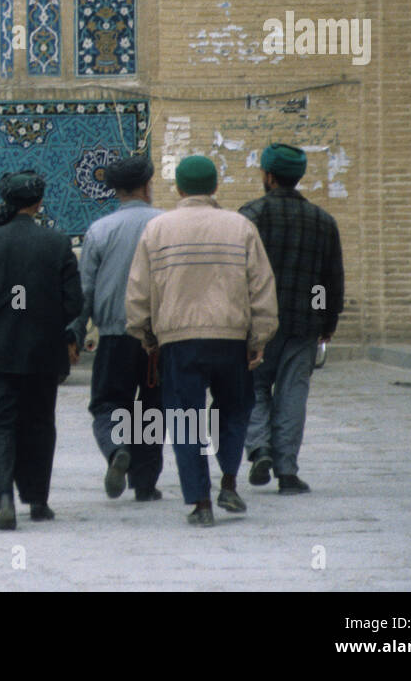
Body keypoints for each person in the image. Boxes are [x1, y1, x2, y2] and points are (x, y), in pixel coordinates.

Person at [125, 155, 278, 527]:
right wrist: (259, 337)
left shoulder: (157, 229)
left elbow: (138, 292)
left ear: (178, 188)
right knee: (234, 410)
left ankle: (201, 502)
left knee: (185, 420)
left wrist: (146, 335)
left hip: (178, 341)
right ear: (214, 187)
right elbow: (261, 287)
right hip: (230, 339)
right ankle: (228, 481)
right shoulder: (240, 227)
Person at [0, 171, 83, 530]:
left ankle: (3, 496)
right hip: (42, 355)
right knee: (39, 425)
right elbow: (73, 302)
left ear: (4, 201)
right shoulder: (57, 244)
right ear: (39, 202)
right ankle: (38, 500)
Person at [239, 143, 345, 495]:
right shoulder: (322, 222)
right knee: (293, 394)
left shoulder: (249, 217)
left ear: (268, 176)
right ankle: (287, 471)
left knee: (252, 388)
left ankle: (260, 449)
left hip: (257, 325)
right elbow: (329, 280)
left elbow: (239, 275)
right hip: (304, 323)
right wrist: (326, 321)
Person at [72, 154, 164, 501]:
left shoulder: (100, 230)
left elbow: (85, 290)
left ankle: (115, 449)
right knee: (153, 407)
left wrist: (77, 334)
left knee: (109, 402)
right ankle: (145, 484)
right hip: (158, 338)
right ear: (145, 185)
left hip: (114, 334)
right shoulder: (165, 225)